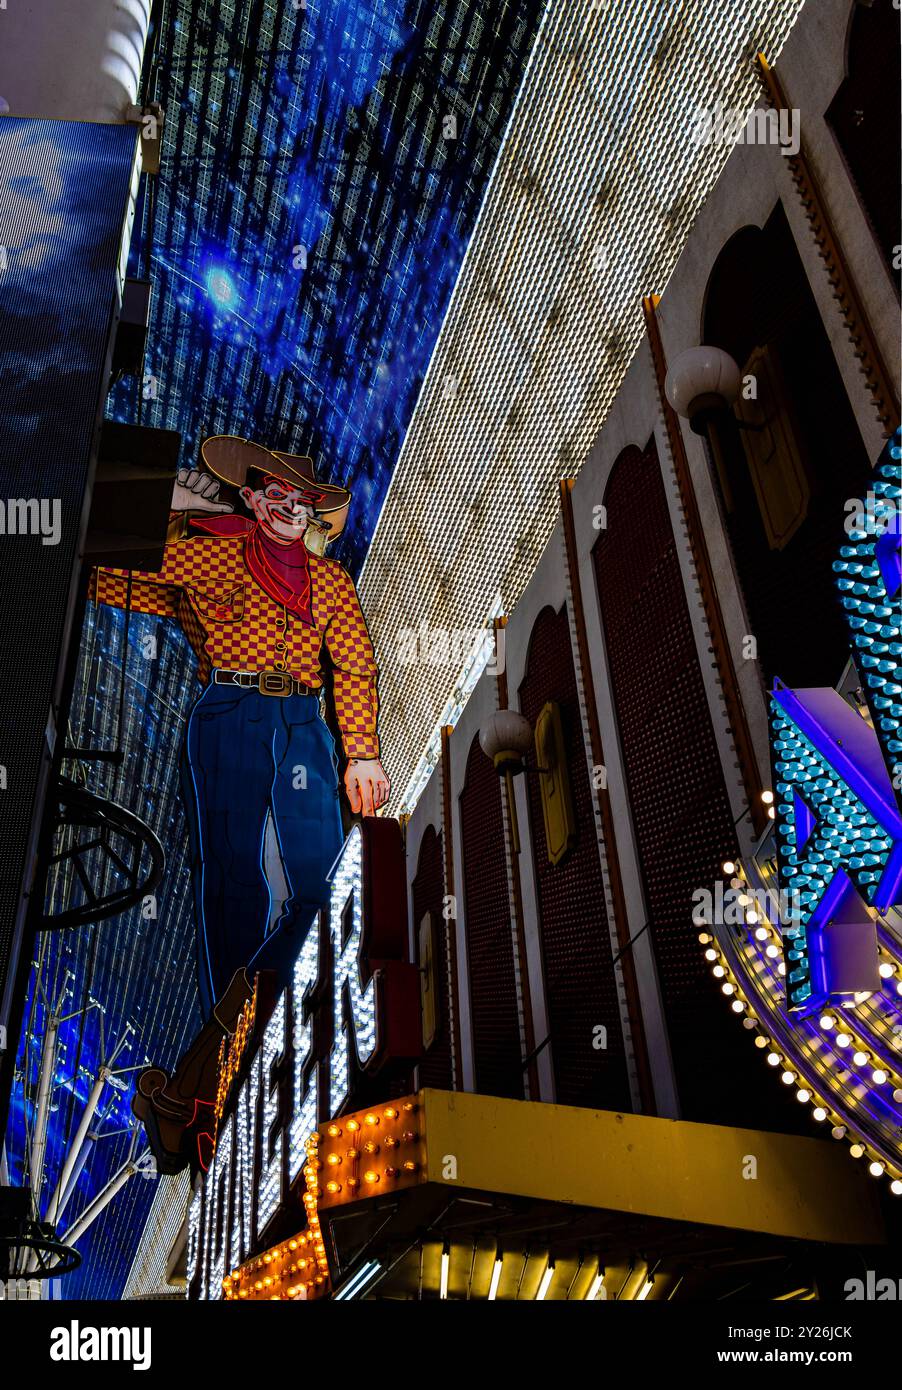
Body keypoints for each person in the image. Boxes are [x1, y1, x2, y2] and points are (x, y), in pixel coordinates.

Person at [91, 434, 389, 1171]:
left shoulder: (333, 586)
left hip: (304, 726)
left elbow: (351, 667)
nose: (292, 510)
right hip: (226, 713)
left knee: (322, 887)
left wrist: (362, 751)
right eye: (277, 496)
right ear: (254, 500)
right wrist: (175, 510)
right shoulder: (209, 554)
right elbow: (107, 574)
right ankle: (223, 1076)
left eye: (305, 500)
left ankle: (200, 1072)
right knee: (231, 886)